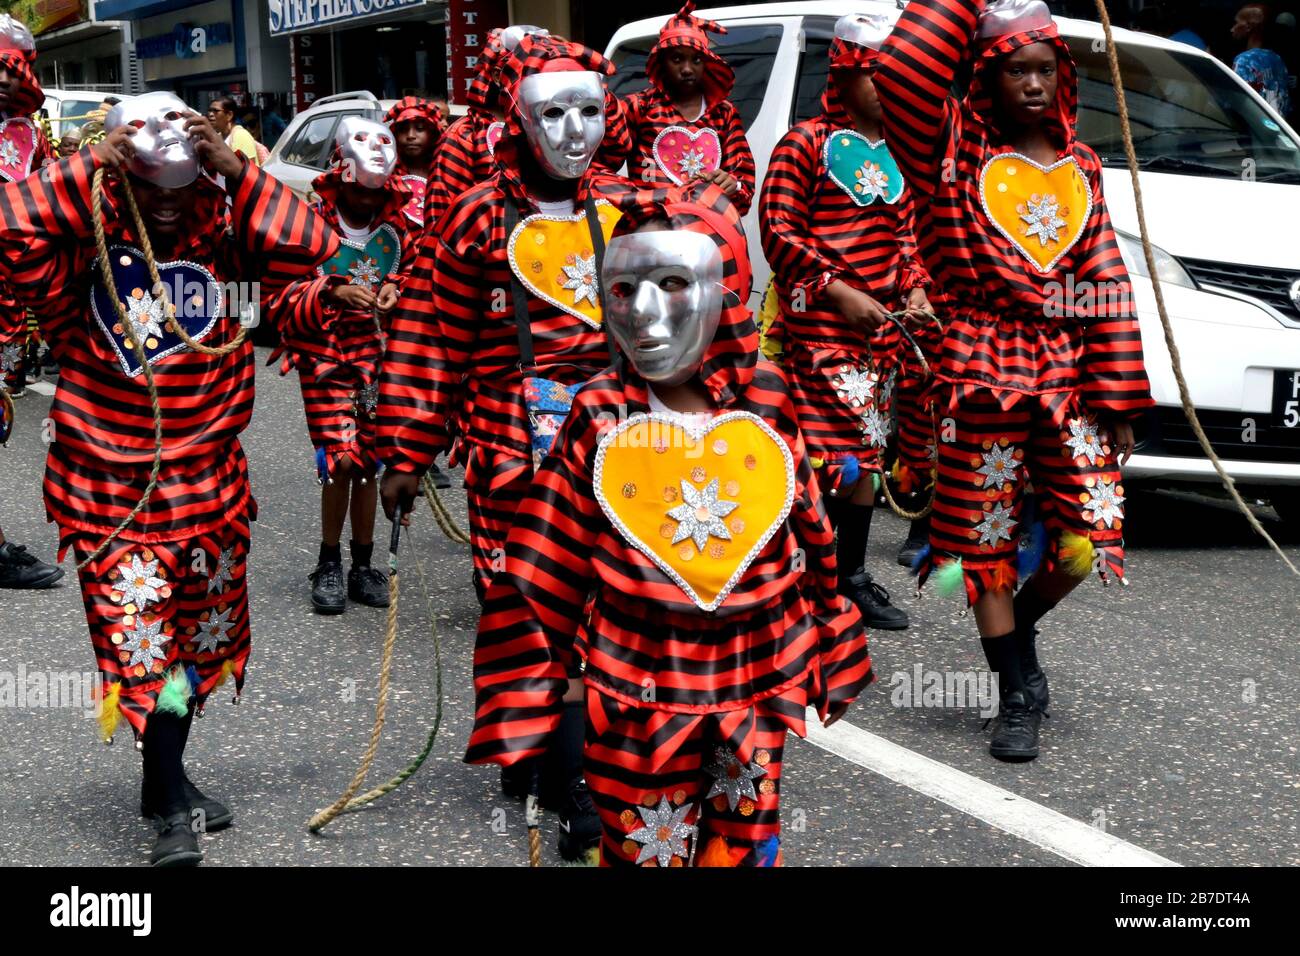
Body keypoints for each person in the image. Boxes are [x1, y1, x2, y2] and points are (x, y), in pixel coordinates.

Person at [464, 184, 873, 866]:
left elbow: (809, 528)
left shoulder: (765, 398)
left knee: (740, 846)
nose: (647, 311)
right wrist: (536, 690)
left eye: (674, 281)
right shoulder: (600, 411)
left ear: (721, 287)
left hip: (751, 678)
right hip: (638, 689)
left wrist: (828, 632)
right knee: (646, 847)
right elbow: (549, 560)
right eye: (623, 288)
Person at [0, 91, 338, 865]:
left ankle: (166, 780)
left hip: (211, 484)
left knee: (201, 645)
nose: (165, 205)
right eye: (148, 188)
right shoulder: (76, 259)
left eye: (180, 189)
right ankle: (166, 812)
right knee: (141, 650)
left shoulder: (228, 251)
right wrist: (91, 161)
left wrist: (235, 170)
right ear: (123, 183)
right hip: (112, 491)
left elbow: (310, 249)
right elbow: (8, 223)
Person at [378, 33, 645, 860]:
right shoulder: (475, 218)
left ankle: (569, 756)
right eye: (553, 114)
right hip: (510, 450)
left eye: (591, 112)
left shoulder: (633, 208)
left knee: (611, 609)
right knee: (535, 611)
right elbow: (430, 340)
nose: (575, 133)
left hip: (622, 445)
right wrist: (406, 449)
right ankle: (573, 786)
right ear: (517, 123)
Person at [874, 0, 1152, 761]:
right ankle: (1014, 692)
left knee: (1088, 542)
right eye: (1016, 69)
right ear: (988, 79)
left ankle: (1016, 630)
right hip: (976, 366)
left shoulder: (1083, 166)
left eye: (1044, 69)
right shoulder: (949, 152)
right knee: (983, 539)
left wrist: (1119, 392)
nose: (1032, 83)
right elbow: (900, 69)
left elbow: (1103, 276)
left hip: (1066, 371)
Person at [759, 13, 931, 630]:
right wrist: (836, 290)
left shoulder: (898, 156)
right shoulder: (803, 144)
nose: (892, 89)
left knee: (869, 458)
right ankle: (809, 579)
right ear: (846, 72)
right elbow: (777, 231)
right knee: (831, 459)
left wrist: (915, 291)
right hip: (818, 332)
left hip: (880, 334)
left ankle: (848, 575)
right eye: (879, 75)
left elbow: (906, 238)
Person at [267, 118, 412, 614]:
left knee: (369, 462)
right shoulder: (310, 225)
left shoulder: (396, 234)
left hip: (379, 361)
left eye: (377, 198)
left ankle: (363, 563)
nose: (367, 205)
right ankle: (328, 561)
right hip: (325, 358)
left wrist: (398, 290)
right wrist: (331, 289)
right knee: (340, 462)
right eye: (359, 194)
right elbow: (277, 295)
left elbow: (415, 274)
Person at [423, 24, 632, 232]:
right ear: (498, 75)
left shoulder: (581, 123)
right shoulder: (465, 134)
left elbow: (612, 154)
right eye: (528, 61)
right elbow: (442, 215)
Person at [621, 1, 756, 214]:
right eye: (677, 59)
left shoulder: (724, 114)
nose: (686, 69)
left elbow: (745, 187)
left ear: (707, 63)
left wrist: (732, 185)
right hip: (651, 233)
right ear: (662, 62)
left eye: (696, 60)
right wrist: (637, 200)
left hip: (709, 233)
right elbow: (600, 167)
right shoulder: (638, 107)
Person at [0, 15, 53, 401]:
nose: (4, 80)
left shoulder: (31, 132)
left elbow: (50, 188)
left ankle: (10, 377)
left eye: (11, 72)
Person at [383, 96, 446, 230]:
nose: (411, 135)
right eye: (403, 129)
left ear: (433, 133)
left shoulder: (446, 173)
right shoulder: (385, 175)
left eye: (420, 128)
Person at [1232, 3, 1293, 117]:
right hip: (1277, 128)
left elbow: (1235, 104)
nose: (1232, 29)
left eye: (1236, 23)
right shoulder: (1277, 60)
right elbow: (1286, 104)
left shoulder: (1244, 61)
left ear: (1248, 27)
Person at [206, 95, 261, 166]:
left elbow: (250, 169)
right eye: (209, 111)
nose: (210, 114)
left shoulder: (241, 135)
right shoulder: (218, 137)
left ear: (229, 115)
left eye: (216, 111)